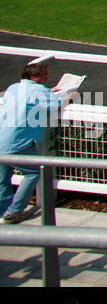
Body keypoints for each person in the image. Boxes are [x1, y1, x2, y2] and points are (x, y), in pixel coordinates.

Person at [0, 57, 74, 223]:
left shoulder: (13, 87)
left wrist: (49, 91)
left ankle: (4, 211)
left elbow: (31, 98)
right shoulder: (38, 91)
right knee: (33, 172)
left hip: (1, 139)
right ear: (34, 77)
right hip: (18, 143)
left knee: (3, 179)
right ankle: (14, 211)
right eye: (44, 75)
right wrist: (71, 97)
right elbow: (55, 105)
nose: (47, 77)